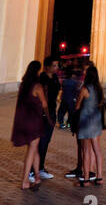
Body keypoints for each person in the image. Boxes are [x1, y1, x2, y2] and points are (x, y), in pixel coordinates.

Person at [10, 61, 51, 191]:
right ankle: (25, 180)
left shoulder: (24, 85)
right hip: (34, 121)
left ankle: (37, 176)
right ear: (37, 71)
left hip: (23, 121)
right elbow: (44, 104)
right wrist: (49, 118)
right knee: (32, 150)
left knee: (34, 149)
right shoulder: (37, 86)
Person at [73, 64, 105, 186]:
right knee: (97, 151)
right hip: (96, 122)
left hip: (85, 123)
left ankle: (86, 179)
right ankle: (99, 177)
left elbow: (77, 106)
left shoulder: (85, 89)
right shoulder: (99, 89)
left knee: (86, 151)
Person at [35, 56, 62, 181]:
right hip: (43, 113)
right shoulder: (43, 78)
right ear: (47, 67)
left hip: (52, 111)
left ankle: (40, 168)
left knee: (46, 142)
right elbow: (43, 99)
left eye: (57, 65)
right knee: (40, 142)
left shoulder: (55, 78)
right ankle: (33, 170)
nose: (57, 67)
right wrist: (48, 116)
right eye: (54, 65)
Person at [61, 66, 84, 179]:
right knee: (84, 146)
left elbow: (78, 105)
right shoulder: (80, 84)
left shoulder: (84, 87)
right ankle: (85, 170)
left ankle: (86, 171)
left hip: (83, 119)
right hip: (85, 120)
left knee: (85, 147)